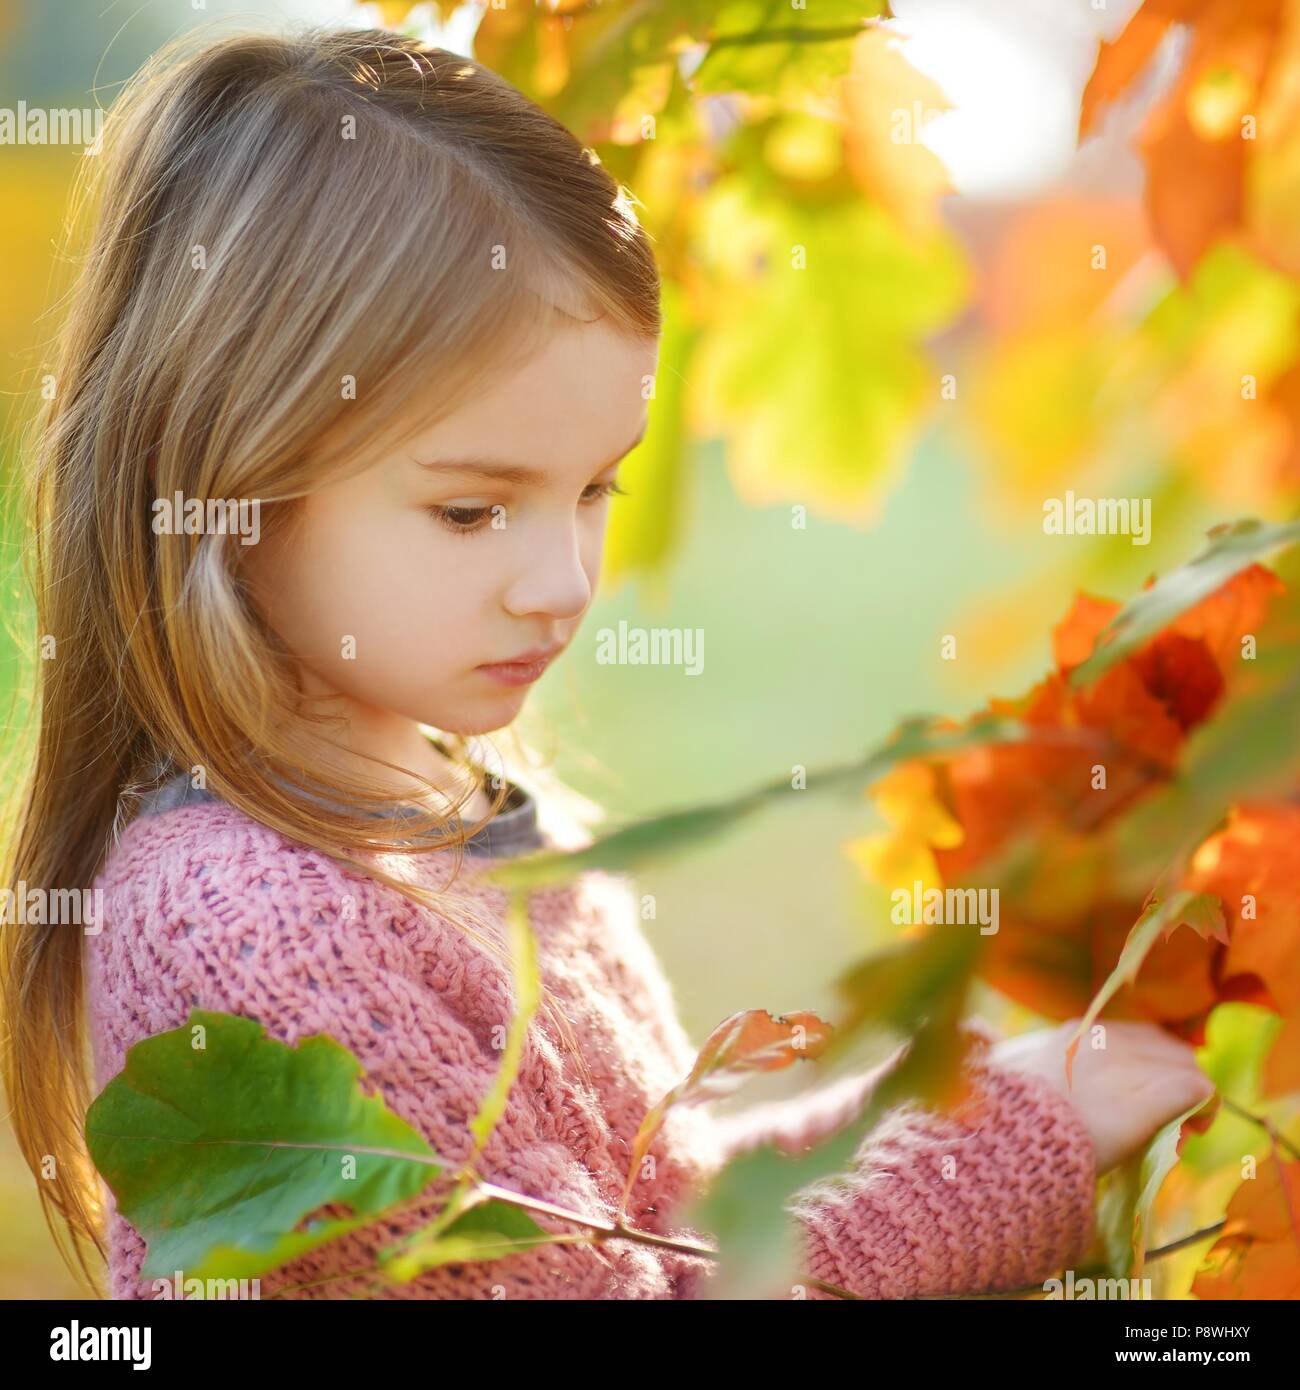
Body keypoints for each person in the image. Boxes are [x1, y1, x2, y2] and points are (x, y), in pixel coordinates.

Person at [0, 25, 1213, 1301]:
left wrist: (940, 1108)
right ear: (229, 481)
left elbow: (642, 1202)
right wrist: (991, 1167)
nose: (563, 581)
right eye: (472, 510)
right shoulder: (251, 921)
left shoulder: (466, 807)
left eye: (595, 487)